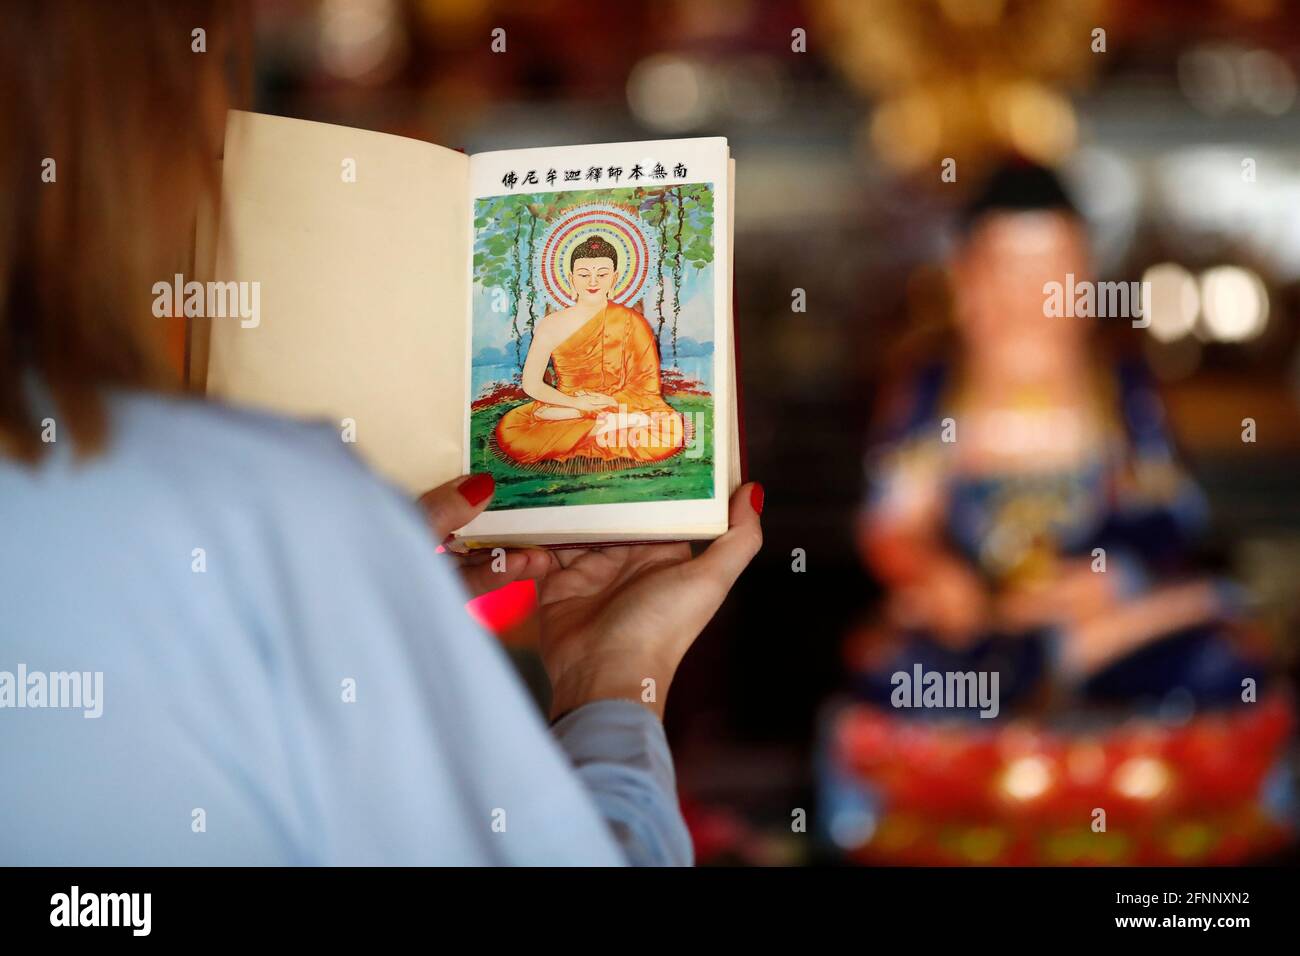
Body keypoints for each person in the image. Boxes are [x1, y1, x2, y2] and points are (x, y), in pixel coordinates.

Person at [0, 0, 762, 865]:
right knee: (525, 423)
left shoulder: (251, 521)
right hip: (541, 426)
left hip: (588, 426)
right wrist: (613, 682)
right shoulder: (261, 513)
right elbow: (538, 384)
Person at [851, 159, 1260, 714]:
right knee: (902, 674)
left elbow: (1173, 513)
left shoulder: (1121, 390)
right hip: (983, 628)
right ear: (967, 278)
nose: (1034, 297)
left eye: (1053, 272)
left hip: (1105, 621)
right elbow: (891, 520)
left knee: (1220, 667)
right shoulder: (934, 390)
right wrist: (936, 574)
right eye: (1010, 270)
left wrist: (1114, 578)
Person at [494, 235, 685, 470]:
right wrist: (578, 406)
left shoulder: (632, 322)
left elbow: (646, 385)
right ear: (571, 279)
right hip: (568, 404)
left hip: (616, 403)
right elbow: (532, 385)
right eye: (584, 274)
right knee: (514, 432)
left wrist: (611, 401)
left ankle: (597, 425)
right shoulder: (550, 324)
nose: (592, 281)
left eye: (602, 274)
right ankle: (608, 426)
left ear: (614, 278)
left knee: (669, 430)